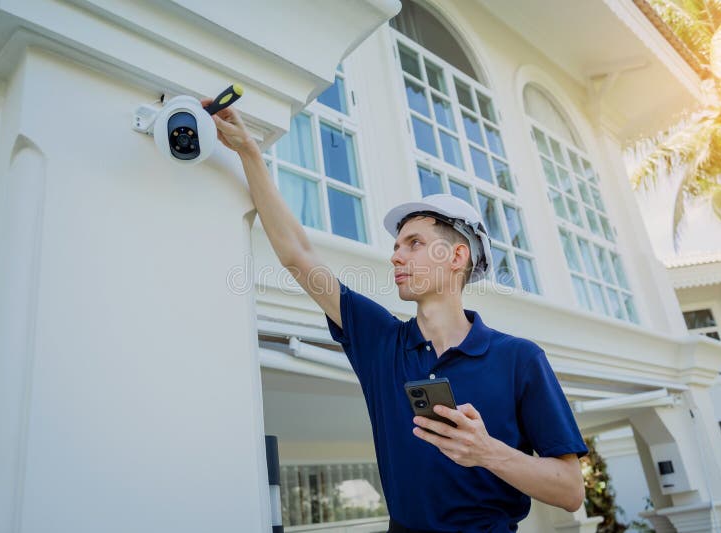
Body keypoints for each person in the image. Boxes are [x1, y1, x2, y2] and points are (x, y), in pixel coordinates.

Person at [205, 97, 588, 532]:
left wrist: (485, 451)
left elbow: (570, 489)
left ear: (457, 255)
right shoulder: (381, 341)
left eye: (414, 243)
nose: (396, 257)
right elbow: (298, 255)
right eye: (396, 247)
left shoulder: (519, 358)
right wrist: (249, 152)